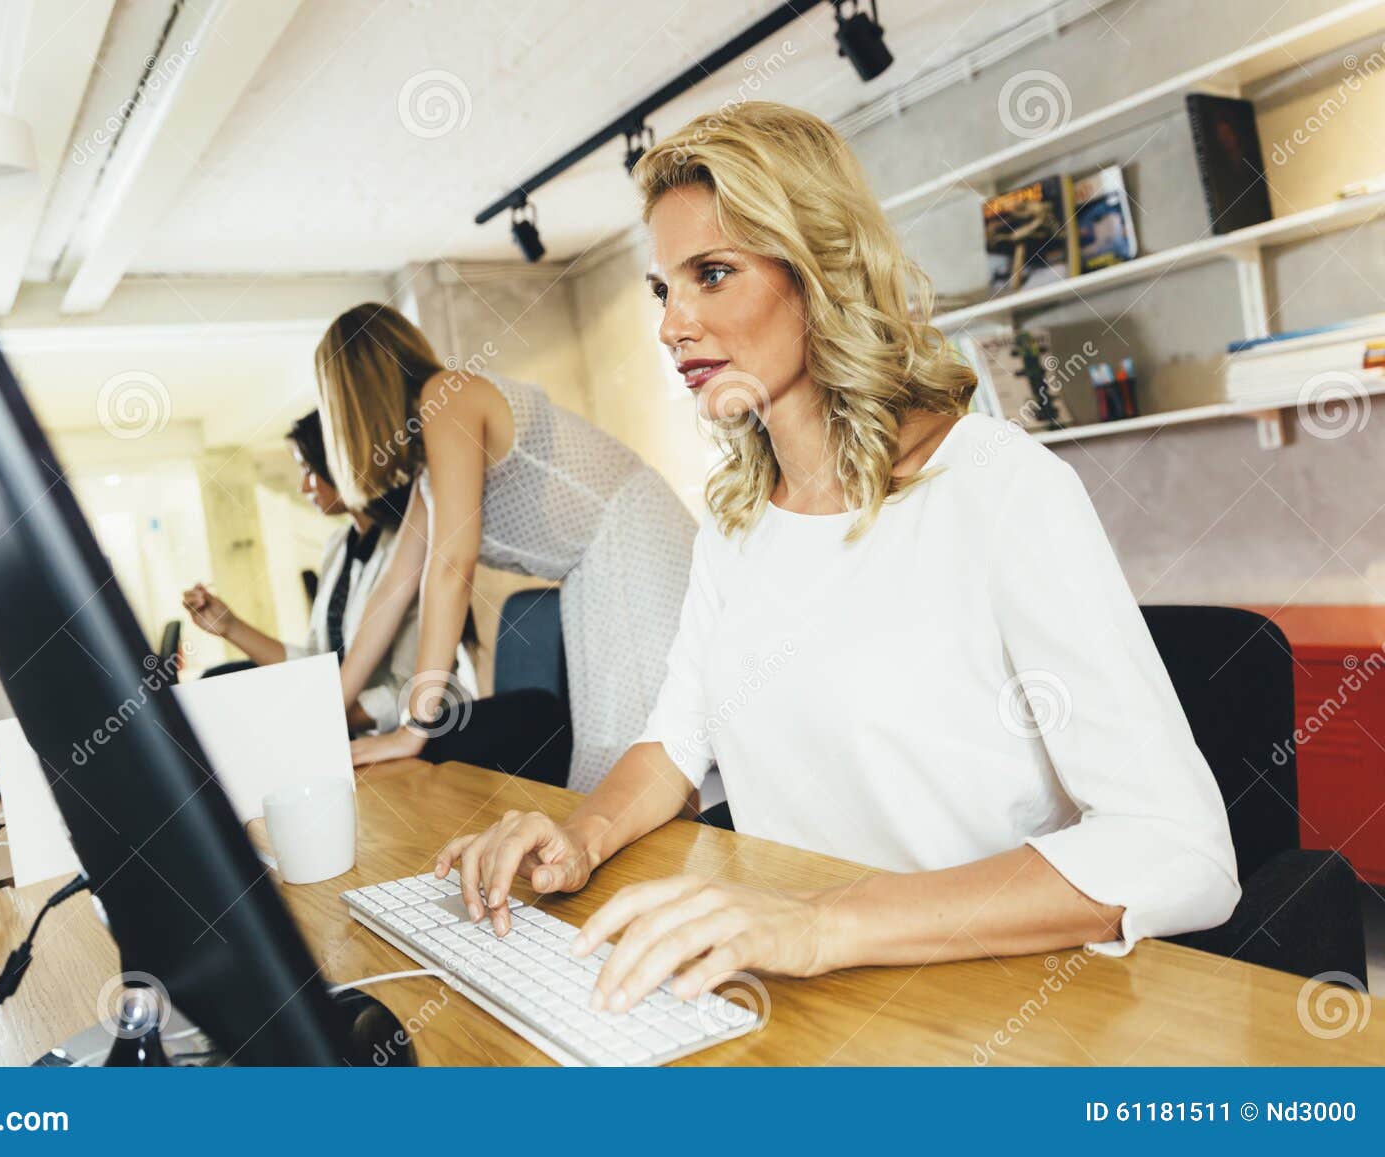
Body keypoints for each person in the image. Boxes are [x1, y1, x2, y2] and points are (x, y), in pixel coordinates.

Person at [434, 102, 1241, 1014]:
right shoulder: (737, 523)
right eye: (664, 290)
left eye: (712, 274)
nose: (671, 326)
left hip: (995, 1006)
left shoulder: (1001, 487)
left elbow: (1181, 848)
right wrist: (578, 836)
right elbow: (676, 743)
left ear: (819, 272)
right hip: (808, 998)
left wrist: (820, 925)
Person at [316, 304, 697, 791]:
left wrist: (415, 726)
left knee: (644, 751)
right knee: (627, 757)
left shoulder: (448, 397)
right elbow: (394, 586)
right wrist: (326, 716)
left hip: (636, 538)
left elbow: (451, 566)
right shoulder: (430, 460)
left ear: (349, 395)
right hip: (593, 568)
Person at [182, 411, 471, 734]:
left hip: (425, 734)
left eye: (309, 469)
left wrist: (315, 720)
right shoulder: (338, 545)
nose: (304, 486)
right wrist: (230, 626)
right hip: (347, 731)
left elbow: (407, 688)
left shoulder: (409, 547)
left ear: (340, 464)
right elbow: (318, 664)